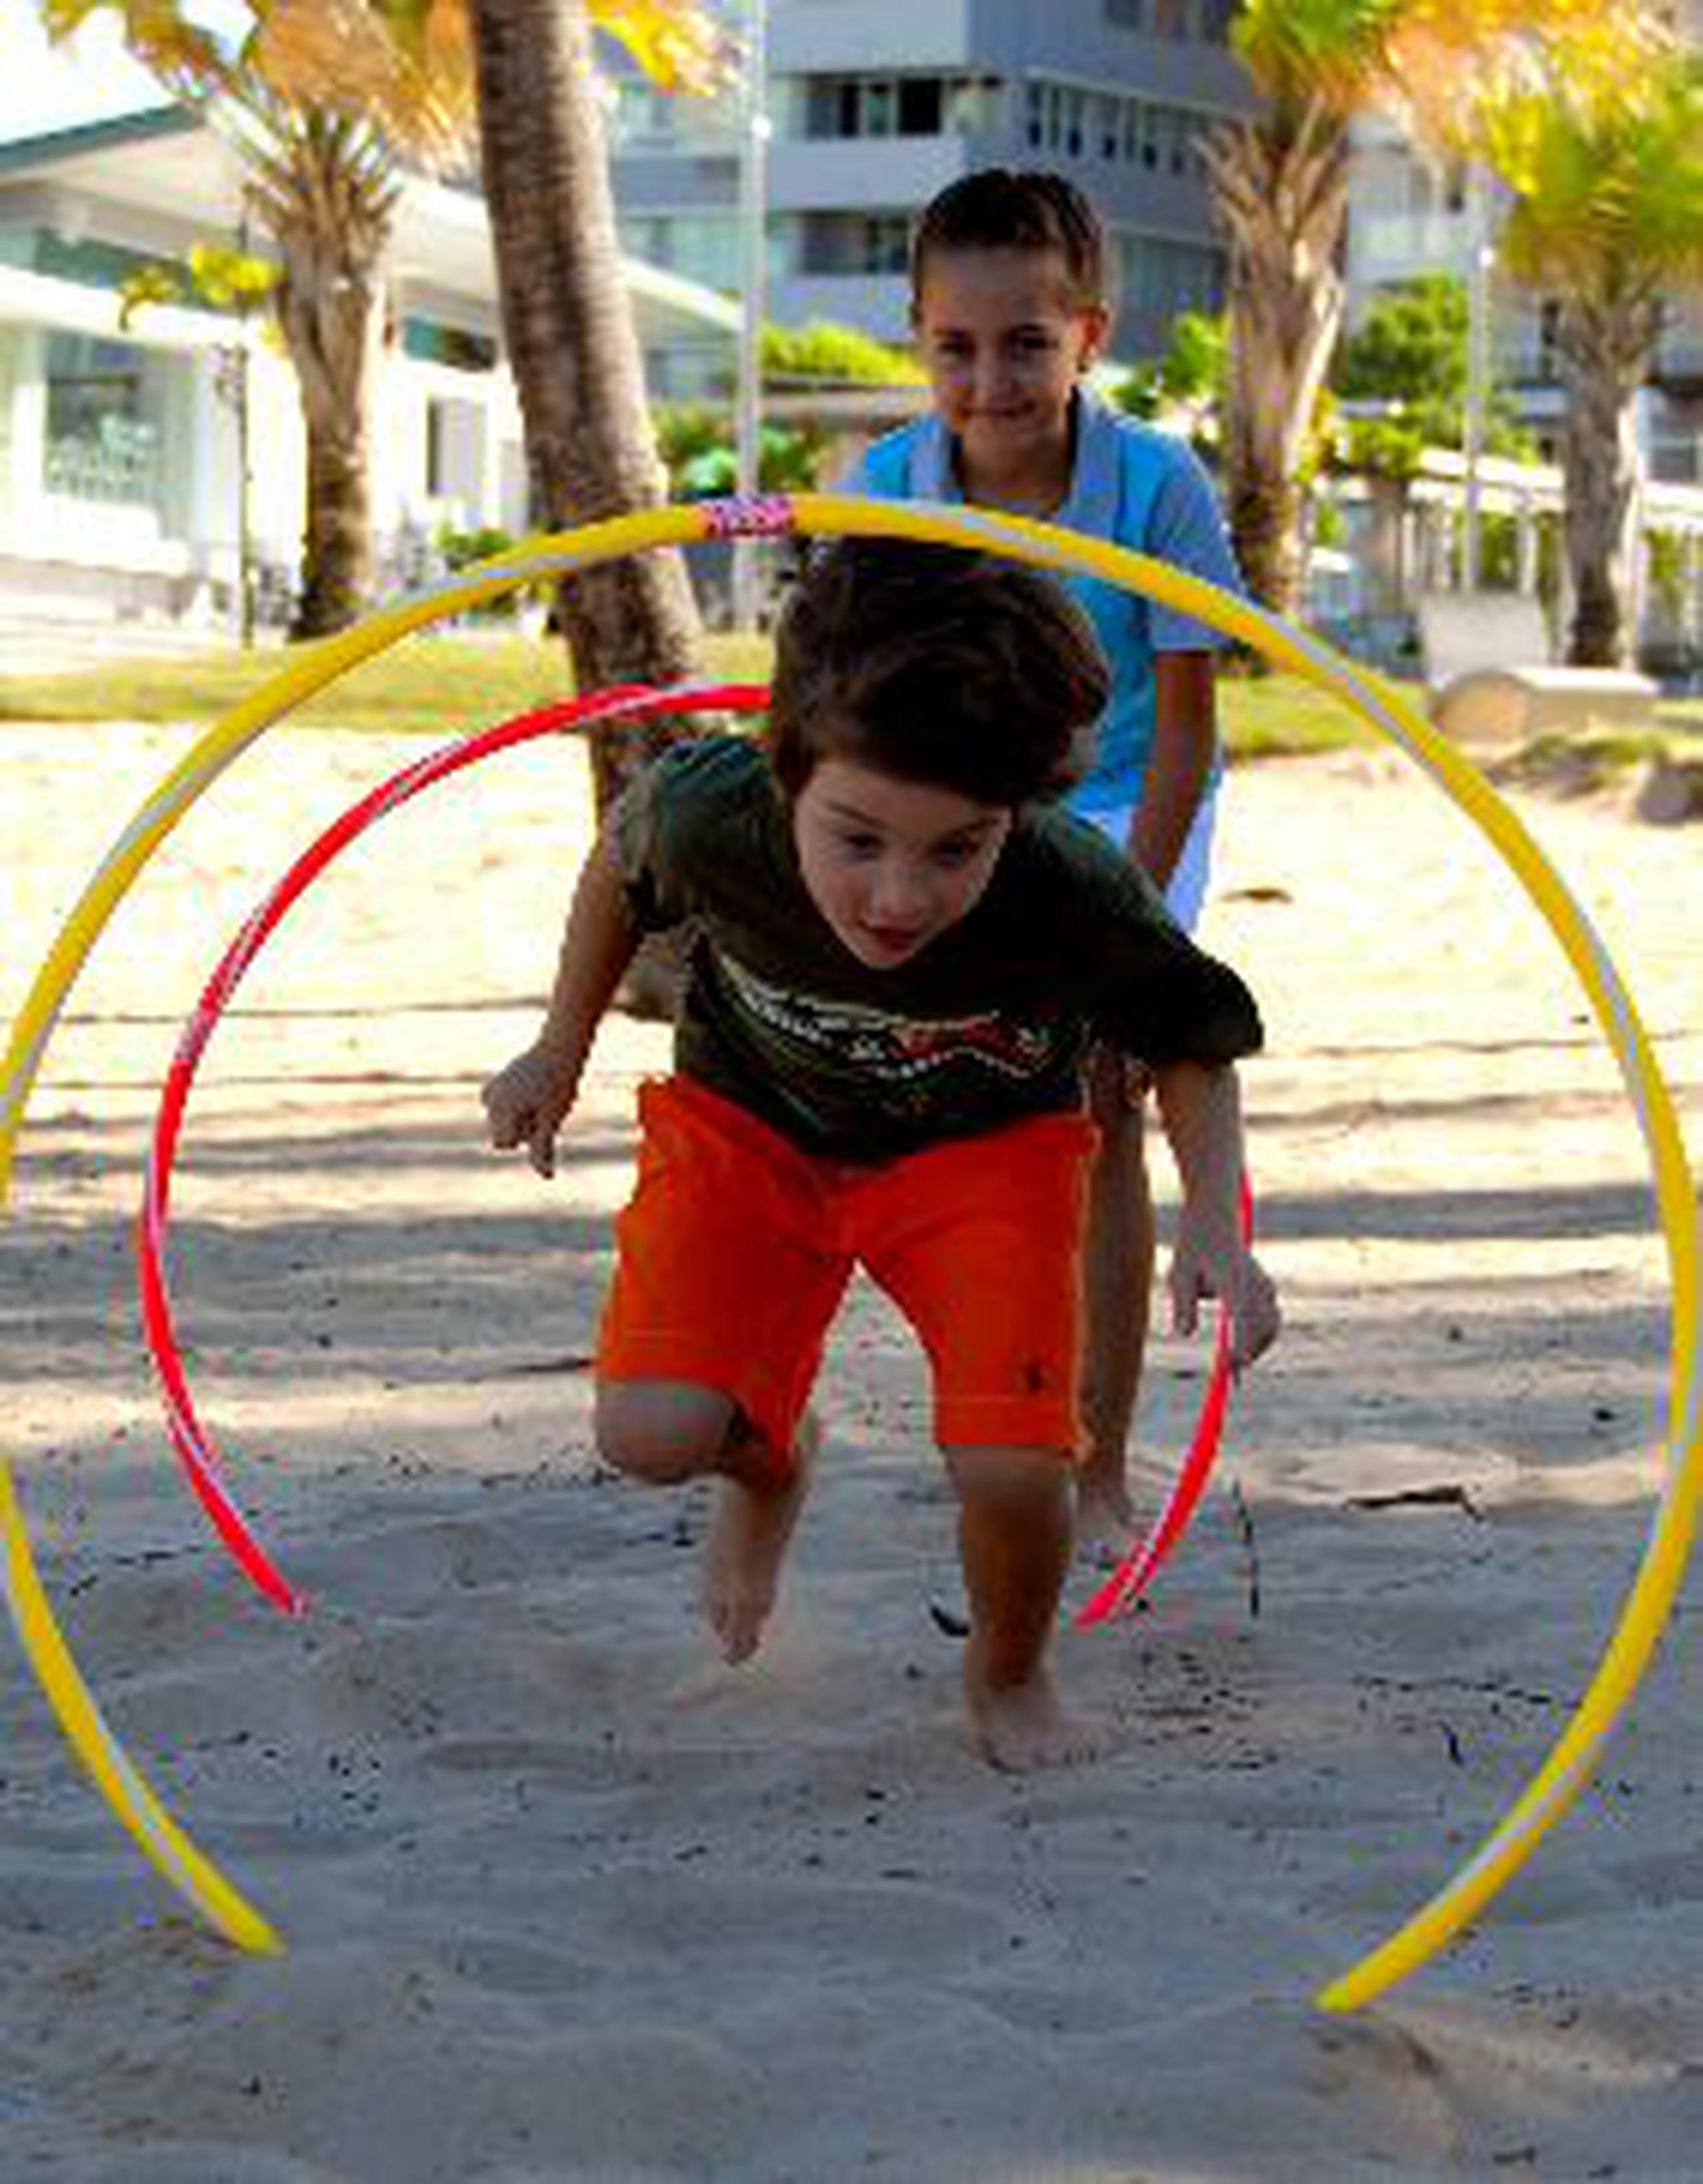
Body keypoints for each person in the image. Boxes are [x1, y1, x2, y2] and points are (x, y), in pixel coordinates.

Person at [482, 541, 1278, 1774]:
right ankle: (771, 1462)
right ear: (786, 765)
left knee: (1015, 1466)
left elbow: (1190, 1044)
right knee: (649, 1436)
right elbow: (620, 868)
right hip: (750, 1129)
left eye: (957, 850)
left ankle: (1009, 1679)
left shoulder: (1068, 883)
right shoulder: (709, 815)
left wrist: (1217, 1222)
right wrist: (557, 1047)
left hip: (984, 1159)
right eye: (857, 840)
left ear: (1019, 811)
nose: (899, 897)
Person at [844, 167, 1245, 1552]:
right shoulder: (888, 488)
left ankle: (1100, 1463)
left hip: (1129, 798)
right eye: (954, 347)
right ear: (917, 340)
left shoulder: (1155, 483)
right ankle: (996, 1410)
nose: (989, 380)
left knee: (1097, 1099)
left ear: (1088, 336)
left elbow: (1185, 731)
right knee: (949, 1103)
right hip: (969, 802)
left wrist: (1135, 932)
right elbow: (856, 717)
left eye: (1025, 343)